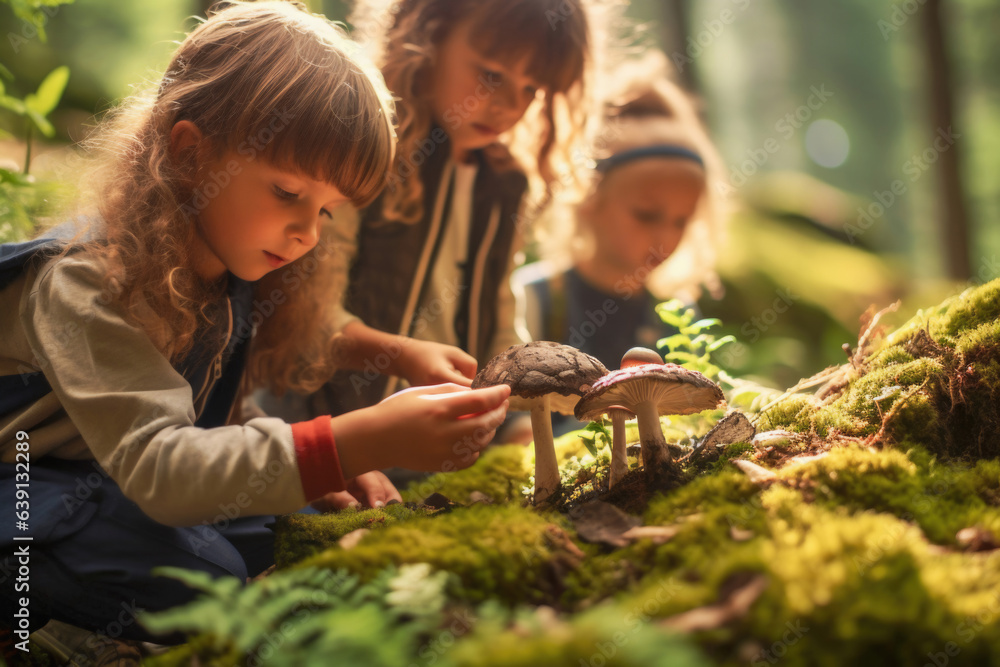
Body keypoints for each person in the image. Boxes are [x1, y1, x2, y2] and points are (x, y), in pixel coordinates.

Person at [0, 1, 510, 651]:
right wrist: (349, 444)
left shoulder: (226, 264)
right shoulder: (84, 286)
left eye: (326, 210)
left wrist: (391, 363)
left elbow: (285, 350)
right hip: (27, 495)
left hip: (115, 483)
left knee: (297, 534)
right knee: (213, 578)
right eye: (288, 192)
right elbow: (162, 466)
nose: (306, 230)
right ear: (190, 153)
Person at [288, 0, 596, 421]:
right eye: (491, 75)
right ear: (427, 37)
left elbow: (501, 323)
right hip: (336, 430)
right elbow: (308, 315)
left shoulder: (505, 183)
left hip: (454, 440)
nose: (509, 105)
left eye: (532, 88)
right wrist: (401, 356)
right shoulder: (362, 152)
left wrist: (517, 420)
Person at [511, 54, 727, 435]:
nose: (666, 238)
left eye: (682, 220)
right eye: (646, 215)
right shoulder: (532, 301)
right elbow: (509, 428)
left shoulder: (678, 316)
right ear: (588, 194)